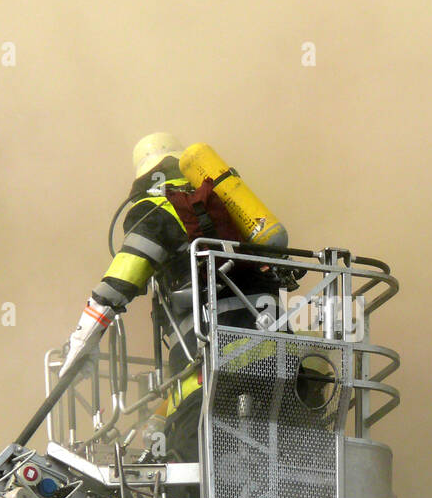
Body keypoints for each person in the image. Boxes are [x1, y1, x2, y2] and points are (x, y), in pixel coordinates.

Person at [59, 133, 284, 465]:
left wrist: (81, 341)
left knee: (179, 475)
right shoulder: (223, 205)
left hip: (215, 374)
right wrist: (159, 418)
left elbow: (122, 278)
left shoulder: (155, 209)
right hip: (279, 367)